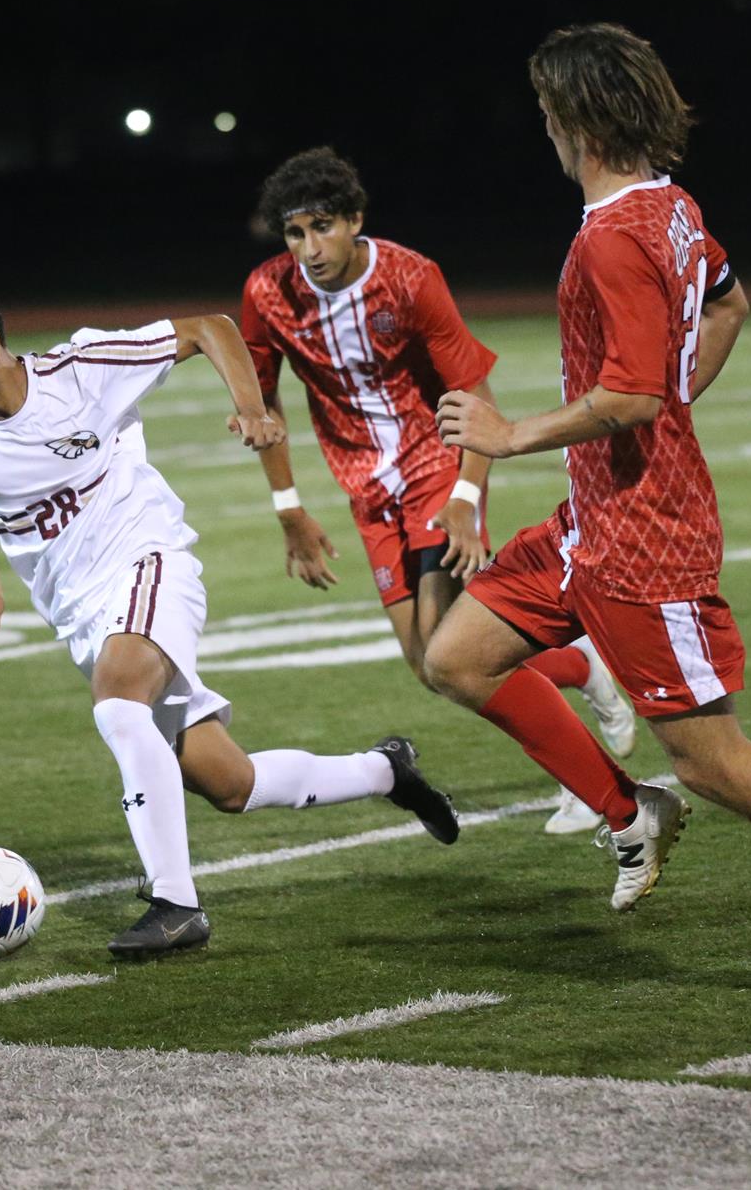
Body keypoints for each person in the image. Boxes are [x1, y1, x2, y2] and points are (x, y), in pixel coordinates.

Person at [426, 23, 751, 1011]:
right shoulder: (667, 209)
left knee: (711, 758)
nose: (541, 128)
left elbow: (630, 397)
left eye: (547, 113)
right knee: (457, 655)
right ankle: (630, 815)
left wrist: (506, 436)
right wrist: (666, 403)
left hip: (642, 537)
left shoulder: (611, 238)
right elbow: (727, 308)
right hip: (593, 514)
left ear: (575, 121)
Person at [0, 272, 459, 960]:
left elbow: (209, 327)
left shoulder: (83, 370)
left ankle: (176, 904)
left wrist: (252, 408)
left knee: (119, 701)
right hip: (81, 614)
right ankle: (385, 770)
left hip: (148, 560)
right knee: (230, 782)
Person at [239, 147, 637, 836]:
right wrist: (289, 510)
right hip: (367, 487)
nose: (308, 247)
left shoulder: (410, 278)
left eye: (323, 227)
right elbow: (260, 404)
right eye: (295, 233)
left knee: (455, 651)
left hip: (436, 466)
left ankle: (584, 781)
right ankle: (581, 666)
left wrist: (464, 495)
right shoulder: (268, 294)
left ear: (356, 220)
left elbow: (475, 392)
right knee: (429, 663)